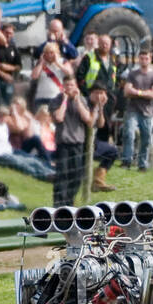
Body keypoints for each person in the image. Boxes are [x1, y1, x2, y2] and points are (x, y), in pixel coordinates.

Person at [49, 74, 94, 206]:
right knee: (62, 175)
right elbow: (58, 117)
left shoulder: (82, 100)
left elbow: (87, 119)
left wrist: (78, 100)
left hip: (78, 143)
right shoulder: (56, 100)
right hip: (63, 143)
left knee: (76, 176)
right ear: (62, 87)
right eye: (67, 85)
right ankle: (59, 204)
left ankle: (69, 202)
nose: (69, 88)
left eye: (72, 85)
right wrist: (65, 100)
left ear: (76, 87)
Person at [0, 104, 55, 180]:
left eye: (5, 116)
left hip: (9, 151)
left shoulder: (3, 126)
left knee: (32, 160)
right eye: (2, 116)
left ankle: (51, 172)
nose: (4, 118)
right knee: (21, 163)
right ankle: (44, 176)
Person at [121, 47, 153, 171]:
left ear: (150, 59)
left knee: (146, 137)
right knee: (129, 134)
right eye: (142, 58)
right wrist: (144, 93)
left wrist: (137, 92)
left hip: (147, 111)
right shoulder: (132, 74)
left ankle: (142, 164)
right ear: (139, 59)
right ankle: (127, 160)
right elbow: (127, 91)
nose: (144, 60)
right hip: (132, 109)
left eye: (146, 58)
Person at [0, 20, 21, 106]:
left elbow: (19, 66)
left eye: (11, 33)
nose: (8, 35)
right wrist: (2, 73)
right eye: (7, 32)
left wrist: (9, 68)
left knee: (9, 104)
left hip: (9, 80)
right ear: (1, 32)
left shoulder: (13, 47)